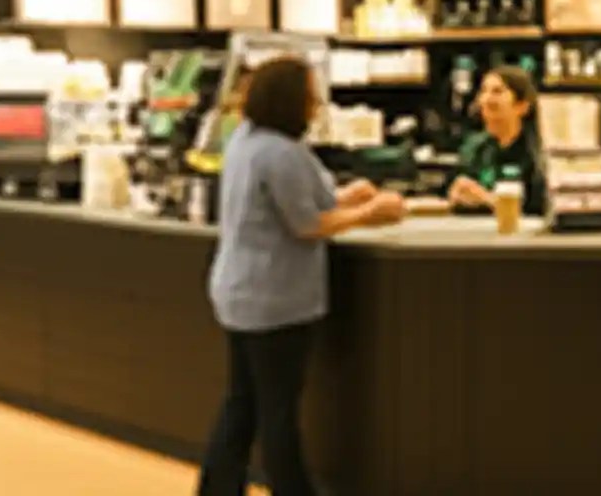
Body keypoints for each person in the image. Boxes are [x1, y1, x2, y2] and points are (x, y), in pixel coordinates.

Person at [198, 57, 406, 496]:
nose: (316, 105)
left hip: (238, 293)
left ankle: (217, 487)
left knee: (243, 400)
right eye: (312, 96)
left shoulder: (244, 140)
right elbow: (307, 223)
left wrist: (346, 197)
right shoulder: (283, 152)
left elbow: (290, 202)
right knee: (277, 411)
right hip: (276, 299)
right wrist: (370, 213)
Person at [448, 65, 546, 216]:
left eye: (497, 91)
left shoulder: (536, 155)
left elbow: (539, 211)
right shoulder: (473, 148)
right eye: (484, 90)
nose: (487, 98)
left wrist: (489, 200)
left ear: (522, 106)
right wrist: (456, 195)